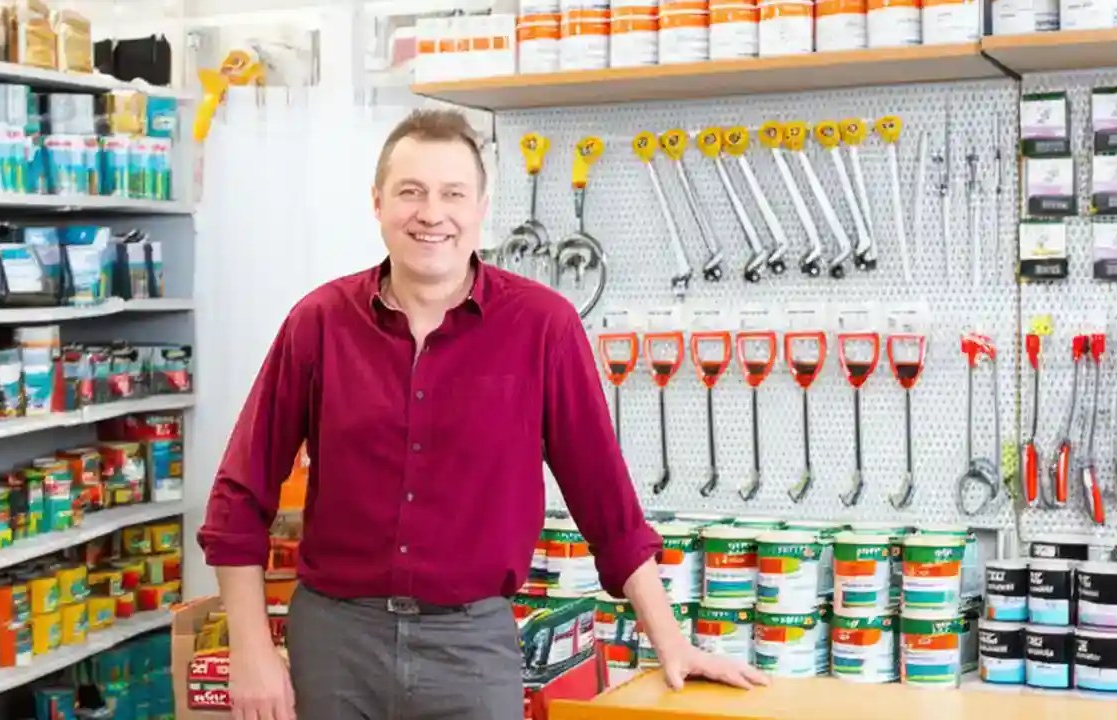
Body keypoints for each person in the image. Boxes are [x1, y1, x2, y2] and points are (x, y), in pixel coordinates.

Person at [198, 108, 768, 720]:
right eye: (410, 192)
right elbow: (240, 491)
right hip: (337, 645)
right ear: (378, 203)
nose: (431, 214)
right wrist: (252, 651)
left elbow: (607, 502)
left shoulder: (543, 327)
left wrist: (672, 641)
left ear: (481, 207)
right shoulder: (319, 322)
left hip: (472, 649)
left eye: (452, 194)